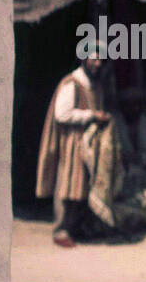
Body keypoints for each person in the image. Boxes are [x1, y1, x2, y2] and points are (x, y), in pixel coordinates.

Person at [35, 43, 112, 248]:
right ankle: (61, 230)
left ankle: (77, 227)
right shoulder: (72, 83)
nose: (97, 64)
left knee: (84, 186)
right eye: (93, 59)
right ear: (84, 60)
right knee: (68, 184)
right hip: (72, 142)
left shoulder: (95, 84)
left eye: (100, 60)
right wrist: (91, 115)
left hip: (89, 142)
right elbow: (62, 114)